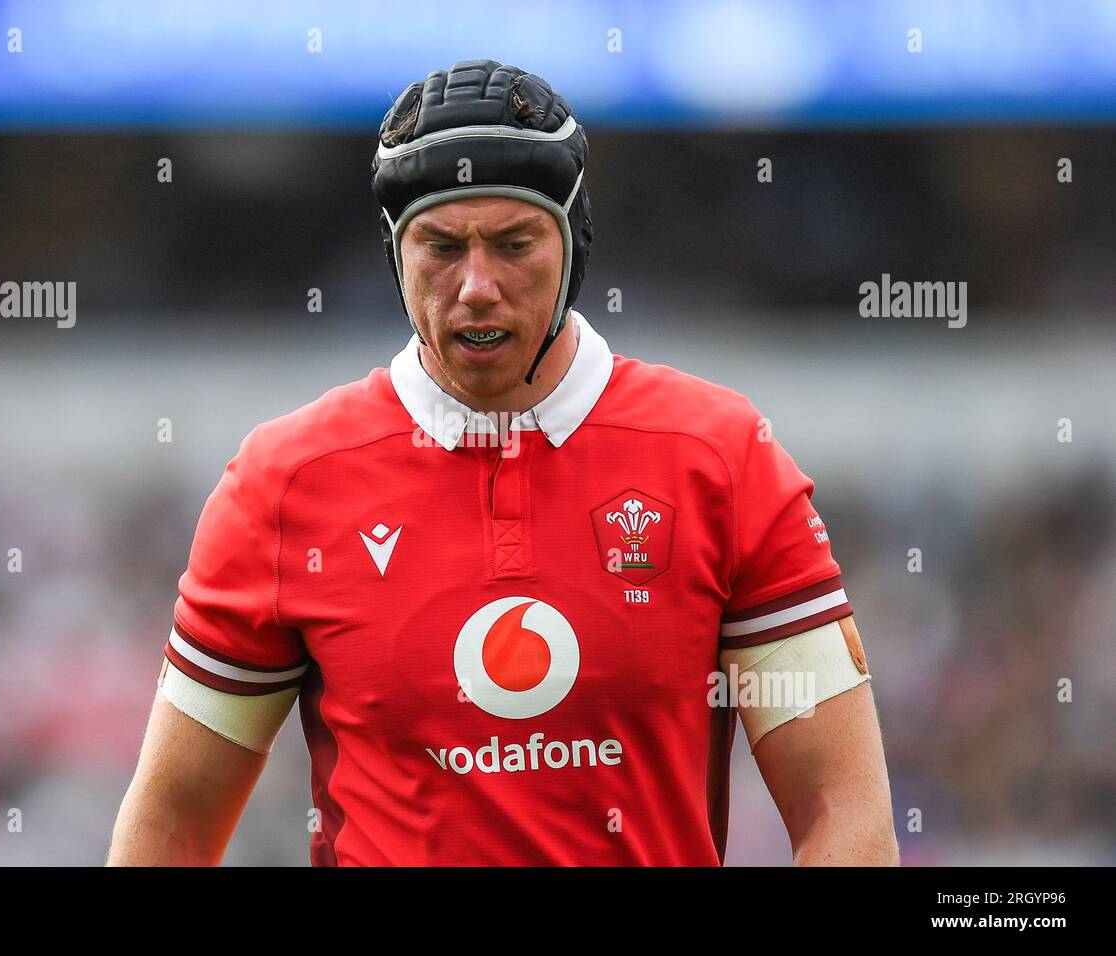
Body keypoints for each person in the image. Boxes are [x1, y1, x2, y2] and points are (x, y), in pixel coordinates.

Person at [108, 59, 899, 866]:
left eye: (514, 243)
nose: (477, 286)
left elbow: (845, 810)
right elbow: (171, 825)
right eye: (441, 247)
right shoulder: (285, 484)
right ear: (393, 253)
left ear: (574, 240)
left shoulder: (723, 460)